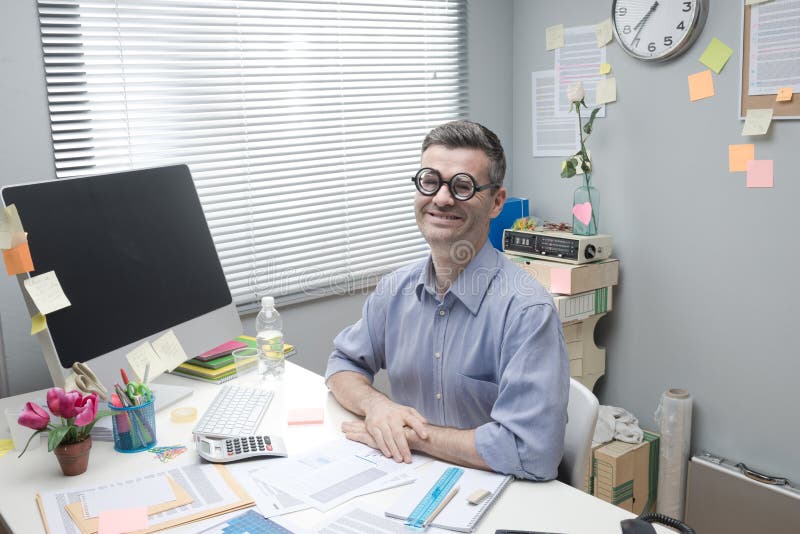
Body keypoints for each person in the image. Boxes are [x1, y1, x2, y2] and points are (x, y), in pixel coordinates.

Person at [325, 120, 569, 481]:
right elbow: (342, 363)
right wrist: (376, 405)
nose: (441, 198)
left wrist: (412, 436)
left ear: (496, 202)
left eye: (462, 186)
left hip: (496, 494)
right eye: (430, 181)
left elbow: (531, 452)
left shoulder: (526, 312)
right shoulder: (395, 289)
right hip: (406, 478)